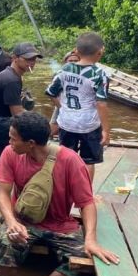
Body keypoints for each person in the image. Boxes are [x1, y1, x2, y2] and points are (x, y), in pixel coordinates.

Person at [0, 112, 119, 276]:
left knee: (81, 258)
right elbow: (2, 192)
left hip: (61, 225)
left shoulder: (70, 160)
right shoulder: (9, 153)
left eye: (13, 139)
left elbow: (86, 203)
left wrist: (90, 239)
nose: (9, 143)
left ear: (30, 144)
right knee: (7, 249)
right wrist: (11, 222)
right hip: (23, 221)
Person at [45, 33, 110, 181]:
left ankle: (65, 190)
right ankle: (86, 195)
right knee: (88, 161)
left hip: (67, 122)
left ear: (76, 51)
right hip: (89, 124)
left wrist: (63, 107)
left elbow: (51, 92)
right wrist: (106, 130)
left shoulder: (65, 69)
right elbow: (101, 104)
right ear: (100, 52)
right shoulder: (99, 75)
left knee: (66, 157)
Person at [0, 42, 42, 187]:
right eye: (28, 59)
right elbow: (17, 114)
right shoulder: (11, 80)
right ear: (15, 58)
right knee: (32, 133)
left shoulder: (11, 74)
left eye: (34, 59)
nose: (32, 63)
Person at [49, 50, 80, 138]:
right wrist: (62, 108)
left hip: (79, 107)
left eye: (76, 61)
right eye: (70, 61)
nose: (73, 63)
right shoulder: (60, 75)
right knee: (52, 129)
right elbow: (52, 94)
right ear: (65, 62)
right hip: (62, 105)